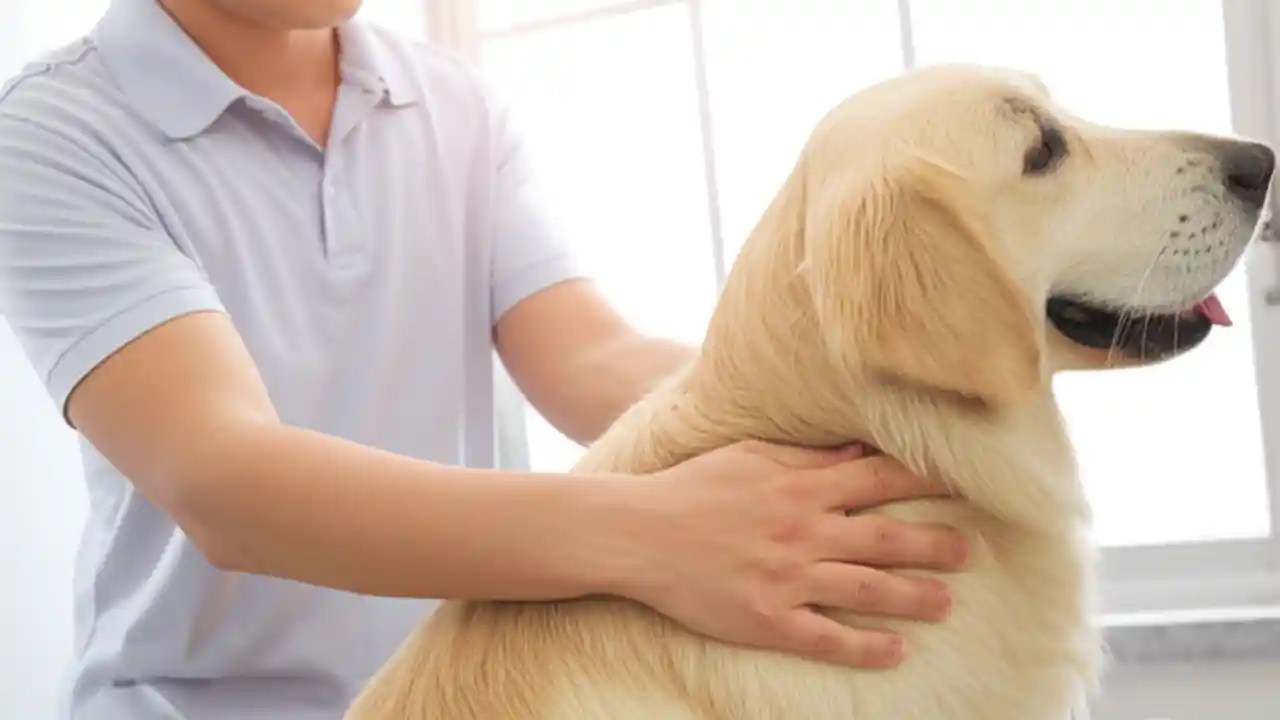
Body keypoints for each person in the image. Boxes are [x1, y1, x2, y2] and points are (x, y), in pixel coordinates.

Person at [0, 1, 971, 717]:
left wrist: (845, 417)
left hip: (459, 693)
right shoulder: (55, 131)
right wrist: (655, 535)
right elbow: (226, 481)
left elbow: (592, 358)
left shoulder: (451, 104)